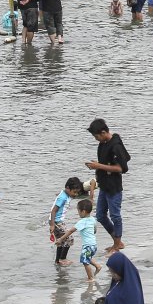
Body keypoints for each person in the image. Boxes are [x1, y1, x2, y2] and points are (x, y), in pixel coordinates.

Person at [86, 118, 130, 254]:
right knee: (100, 215)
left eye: (96, 136)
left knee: (115, 216)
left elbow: (121, 168)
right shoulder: (104, 143)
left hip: (114, 187)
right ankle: (117, 242)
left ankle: (117, 245)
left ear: (104, 132)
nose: (95, 139)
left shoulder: (115, 145)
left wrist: (98, 166)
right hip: (104, 185)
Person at [56, 198, 102, 281]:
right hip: (93, 245)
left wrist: (60, 239)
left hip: (87, 246)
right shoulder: (92, 219)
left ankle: (90, 278)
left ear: (83, 211)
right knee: (87, 257)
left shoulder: (82, 222)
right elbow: (95, 229)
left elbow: (70, 231)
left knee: (85, 262)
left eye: (78, 211)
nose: (78, 213)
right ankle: (97, 266)